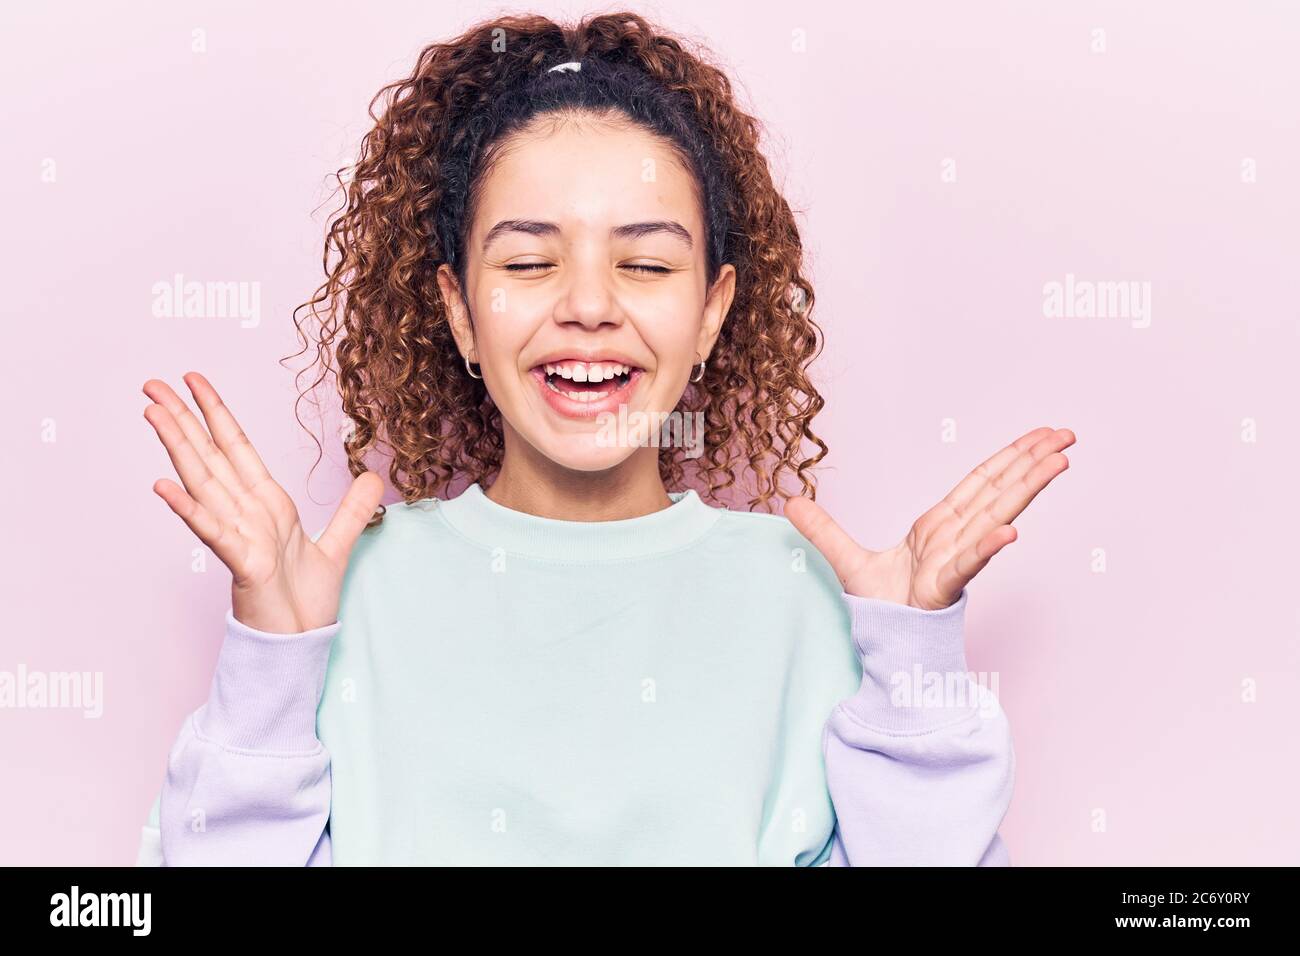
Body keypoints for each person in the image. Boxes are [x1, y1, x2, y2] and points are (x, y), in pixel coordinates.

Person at [135, 11, 1073, 866]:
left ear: (711, 313)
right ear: (460, 313)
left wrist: (912, 676)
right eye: (531, 261)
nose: (589, 306)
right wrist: (270, 662)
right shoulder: (334, 605)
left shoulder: (818, 603)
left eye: (646, 263)